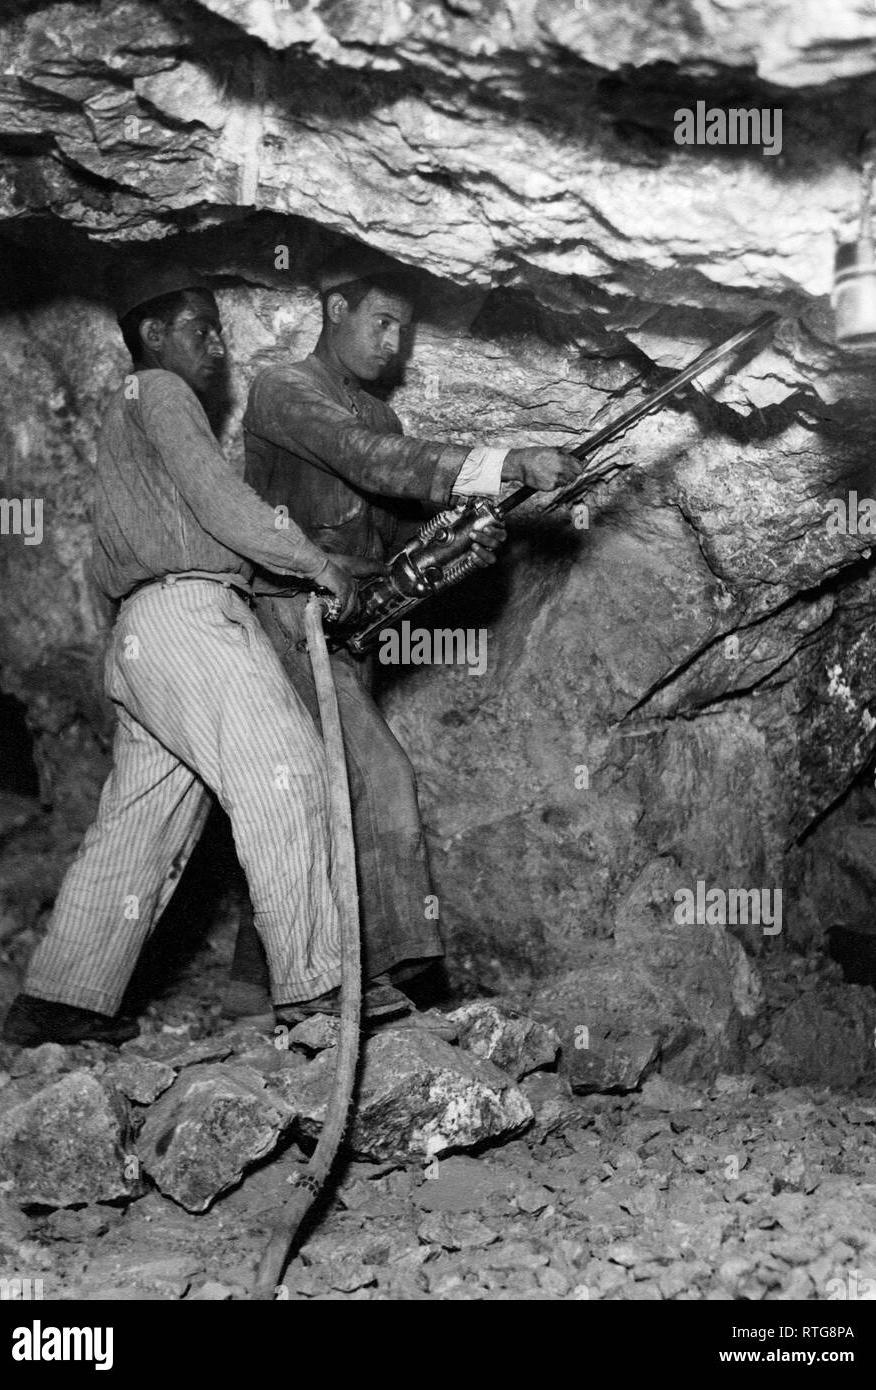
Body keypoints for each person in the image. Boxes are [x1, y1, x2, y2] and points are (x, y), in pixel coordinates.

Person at [2, 261, 403, 1047]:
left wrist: (315, 570)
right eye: (198, 329)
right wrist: (316, 562)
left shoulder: (133, 421)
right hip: (187, 619)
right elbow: (224, 506)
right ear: (151, 335)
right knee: (286, 770)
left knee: (140, 825)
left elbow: (204, 529)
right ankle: (318, 986)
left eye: (220, 330)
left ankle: (61, 1000)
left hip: (146, 637)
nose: (217, 346)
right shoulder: (158, 391)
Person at [224, 246, 581, 1021]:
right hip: (282, 608)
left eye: (406, 330)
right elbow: (373, 462)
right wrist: (505, 460)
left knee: (308, 789)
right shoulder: (283, 390)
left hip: (347, 624)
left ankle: (257, 986)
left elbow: (393, 544)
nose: (395, 344)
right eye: (382, 321)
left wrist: (462, 547)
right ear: (335, 309)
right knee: (375, 772)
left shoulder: (382, 412)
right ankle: (385, 970)